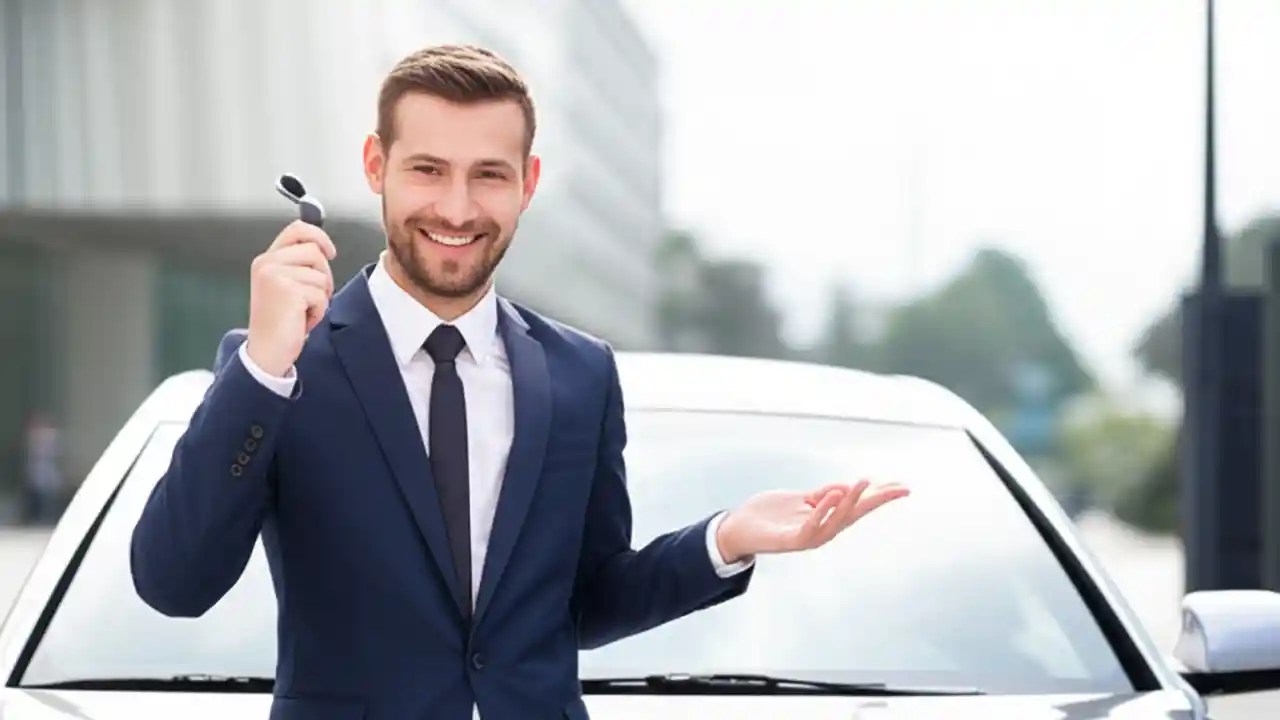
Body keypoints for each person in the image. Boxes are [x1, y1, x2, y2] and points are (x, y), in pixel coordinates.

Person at [129, 44, 909, 720]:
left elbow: (585, 603)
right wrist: (266, 368)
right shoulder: (278, 369)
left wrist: (723, 540)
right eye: (428, 170)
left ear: (528, 181)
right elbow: (172, 581)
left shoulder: (579, 373)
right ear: (377, 166)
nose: (458, 208)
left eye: (489, 175)